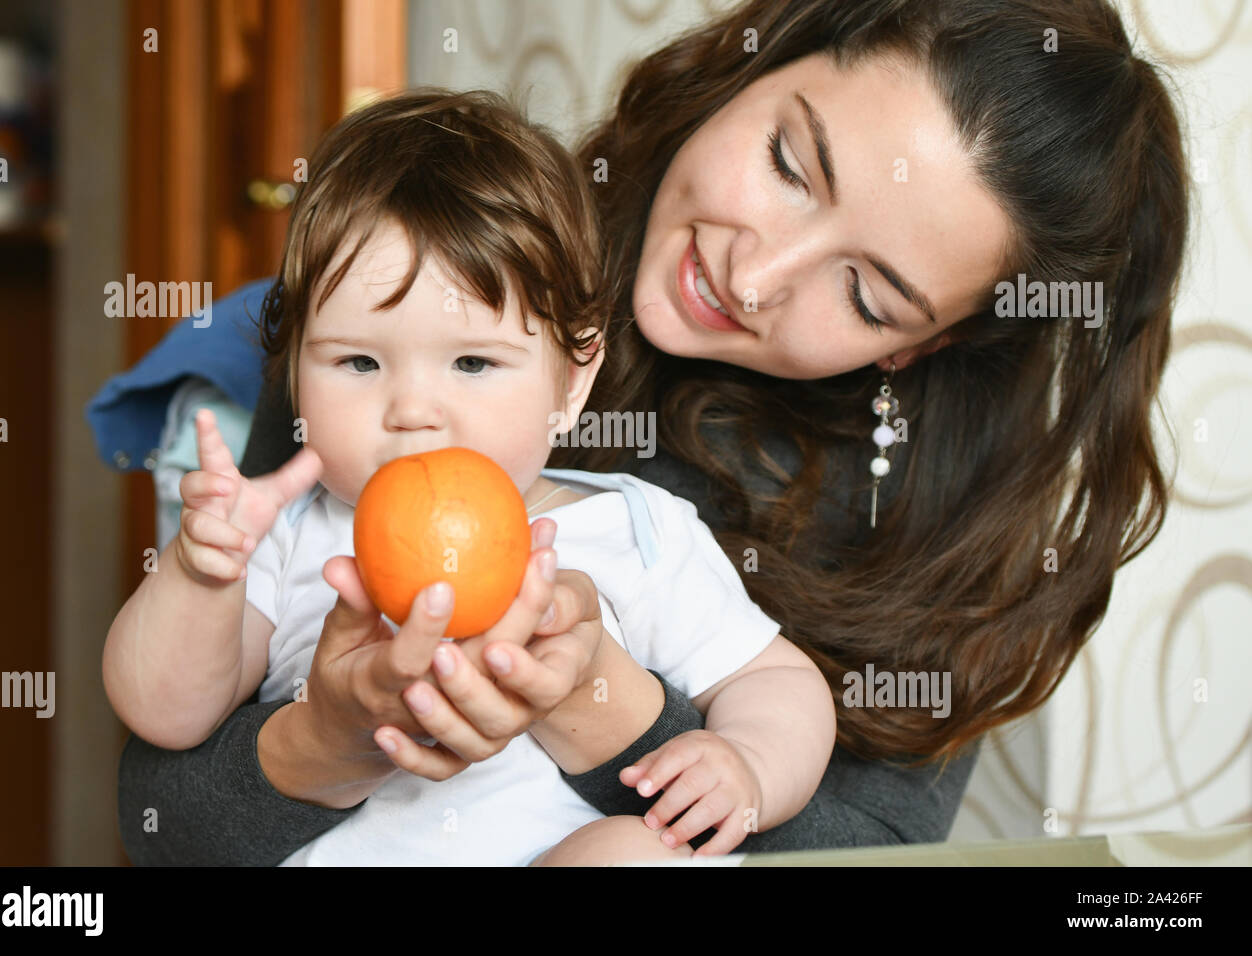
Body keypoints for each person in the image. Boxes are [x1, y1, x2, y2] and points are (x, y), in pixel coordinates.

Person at [115, 0, 1189, 865]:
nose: (753, 274)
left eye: (864, 293)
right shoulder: (419, 312)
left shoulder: (820, 538)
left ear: (919, 345)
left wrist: (604, 706)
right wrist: (324, 736)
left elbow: (840, 844)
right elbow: (161, 808)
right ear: (756, 66)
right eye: (788, 162)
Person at [104, 88, 836, 865]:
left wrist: (748, 764)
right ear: (293, 372)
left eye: (473, 363)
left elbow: (779, 684)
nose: (414, 411)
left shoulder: (637, 531)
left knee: (636, 855)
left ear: (572, 379)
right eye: (358, 361)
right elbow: (165, 715)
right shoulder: (288, 534)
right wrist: (201, 571)